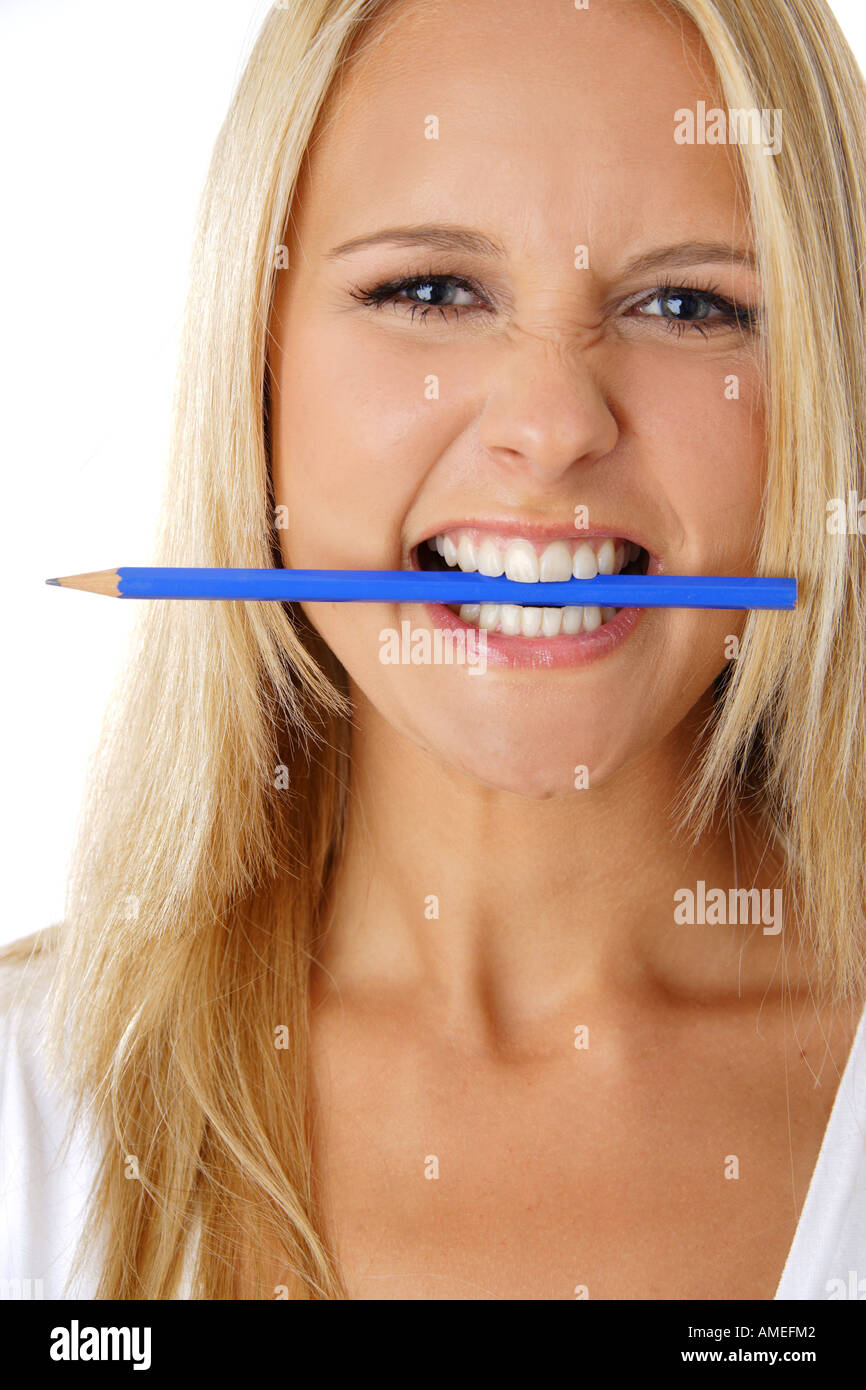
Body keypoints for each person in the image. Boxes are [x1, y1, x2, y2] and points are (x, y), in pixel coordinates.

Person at [3, 0, 865, 1300]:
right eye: (430, 289)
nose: (553, 422)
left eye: (687, 302)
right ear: (257, 371)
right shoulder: (30, 1111)